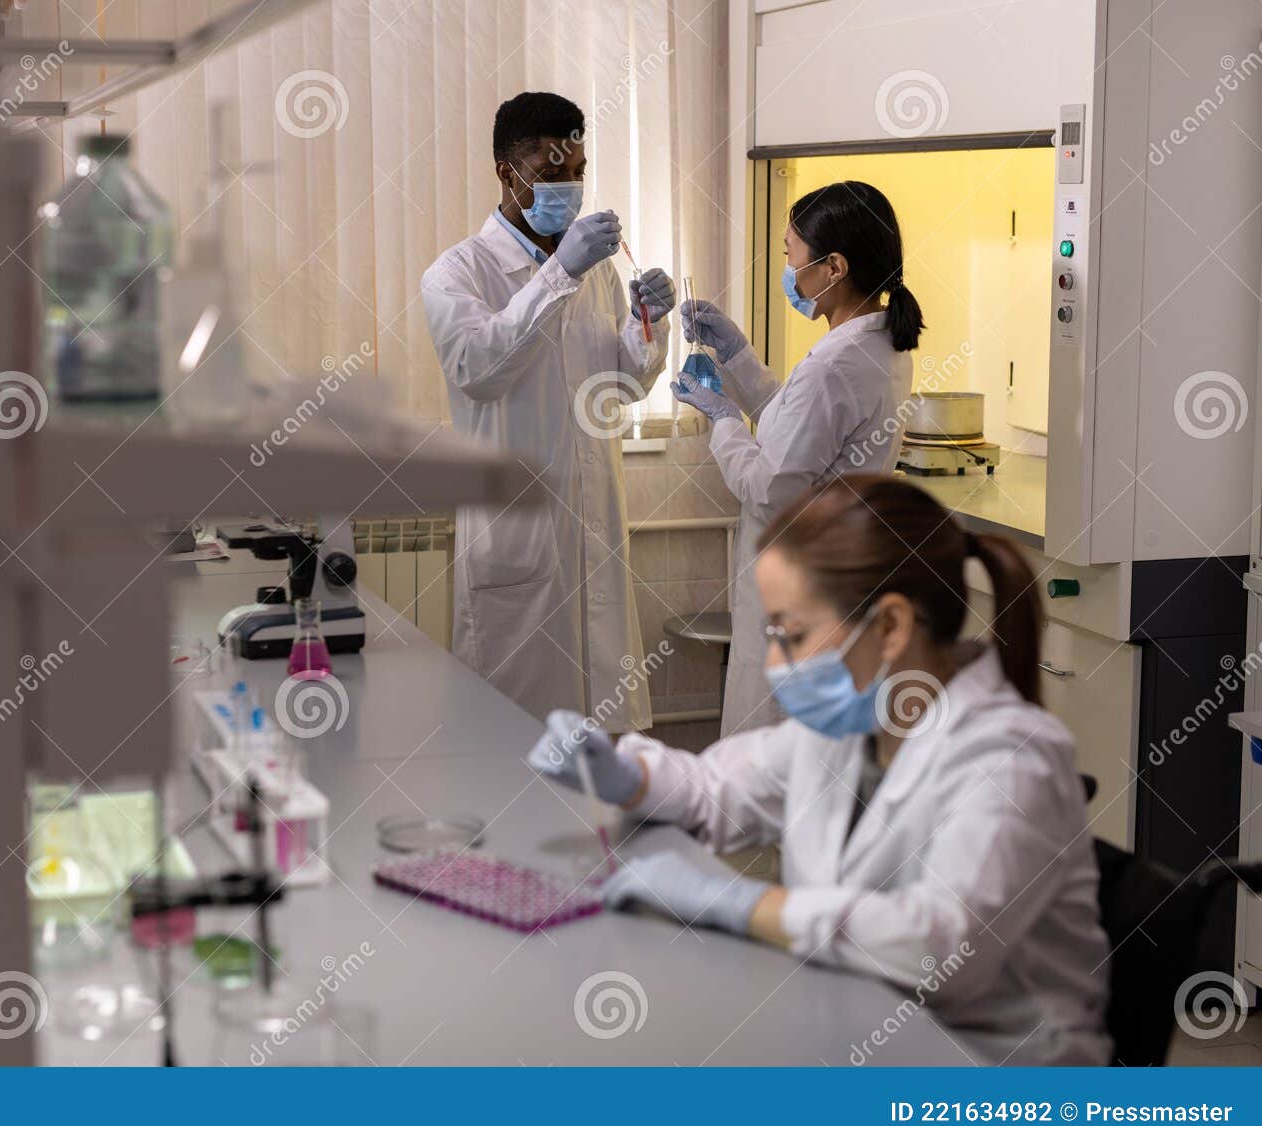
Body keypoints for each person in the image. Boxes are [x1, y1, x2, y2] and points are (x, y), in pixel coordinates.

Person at [528, 476, 1112, 1065]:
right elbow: (718, 790)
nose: (777, 664)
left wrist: (739, 904)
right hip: (849, 1030)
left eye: (793, 634)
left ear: (889, 627)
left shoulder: (1011, 757)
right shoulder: (847, 732)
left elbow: (940, 947)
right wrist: (628, 776)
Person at [421, 92, 674, 729]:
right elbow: (480, 369)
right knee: (511, 748)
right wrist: (558, 272)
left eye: (579, 171)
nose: (570, 186)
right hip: (518, 543)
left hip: (592, 524)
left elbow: (622, 384)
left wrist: (650, 323)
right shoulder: (457, 273)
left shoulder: (596, 273)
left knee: (596, 753)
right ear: (508, 173)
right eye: (552, 171)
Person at [674, 181, 919, 734]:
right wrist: (735, 353)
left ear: (833, 267)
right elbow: (800, 426)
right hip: (835, 576)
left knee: (772, 750)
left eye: (790, 253)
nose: (785, 267)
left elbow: (772, 486)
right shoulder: (876, 345)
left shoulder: (836, 362)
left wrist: (721, 418)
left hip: (802, 585)